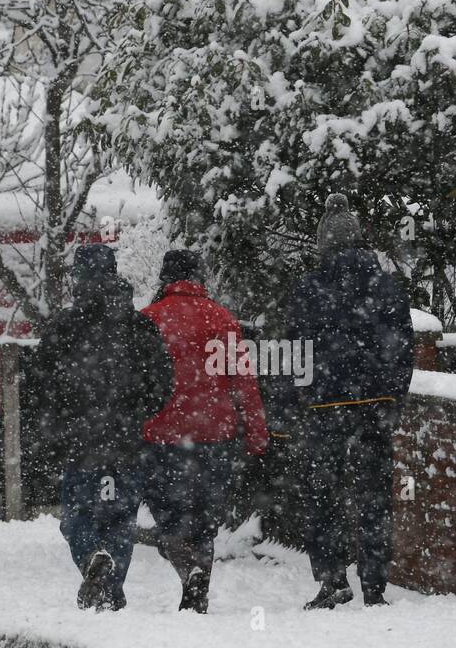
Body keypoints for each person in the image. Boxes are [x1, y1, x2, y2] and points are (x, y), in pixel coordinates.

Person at [285, 193, 414, 609]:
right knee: (374, 497)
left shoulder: (308, 288)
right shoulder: (388, 286)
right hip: (375, 407)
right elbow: (403, 349)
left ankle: (332, 579)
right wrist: (393, 397)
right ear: (359, 241)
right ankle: (374, 584)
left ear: (324, 244)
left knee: (322, 497)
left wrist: (300, 401)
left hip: (324, 410)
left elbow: (296, 353)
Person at [31, 243, 174, 611]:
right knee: (120, 517)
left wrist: (56, 427)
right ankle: (112, 587)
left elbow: (40, 387)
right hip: (125, 440)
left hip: (81, 441)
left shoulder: (62, 327)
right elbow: (161, 381)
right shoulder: (138, 325)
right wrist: (137, 412)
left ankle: (92, 557)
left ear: (78, 277)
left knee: (77, 515)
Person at [141, 250, 268, 612]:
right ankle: (198, 584)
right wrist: (257, 433)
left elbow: (133, 383)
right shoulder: (223, 319)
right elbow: (243, 381)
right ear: (200, 277)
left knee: (169, 520)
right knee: (204, 522)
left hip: (162, 436)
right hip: (216, 435)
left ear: (164, 278)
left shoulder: (149, 320)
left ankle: (187, 572)